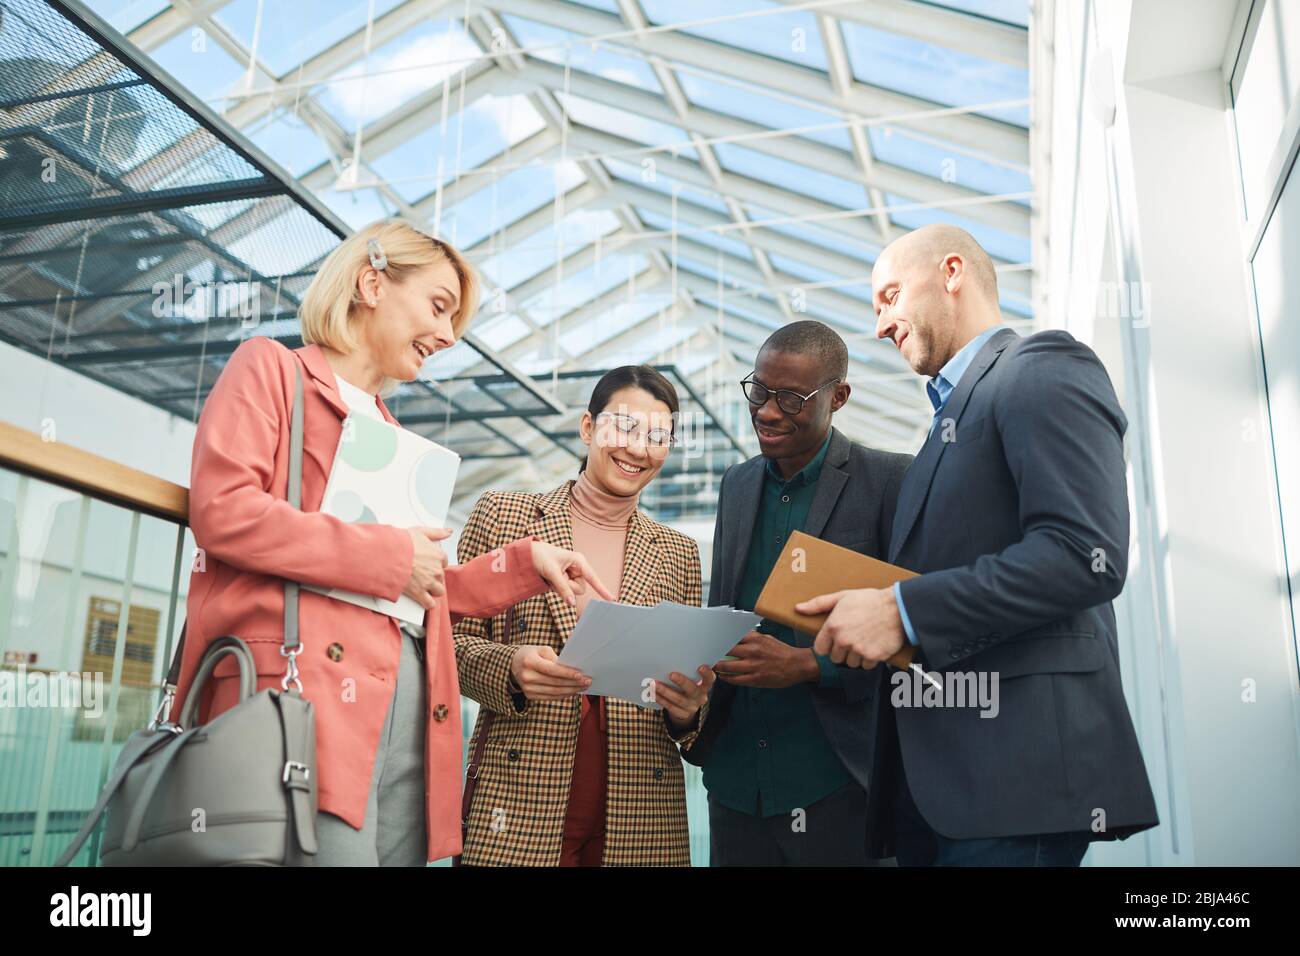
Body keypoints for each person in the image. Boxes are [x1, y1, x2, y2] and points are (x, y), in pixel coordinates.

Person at [172, 219, 612, 867]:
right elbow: (225, 513)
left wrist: (524, 565)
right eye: (438, 307)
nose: (448, 335)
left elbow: (416, 585)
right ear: (371, 283)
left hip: (409, 719)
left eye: (456, 320)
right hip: (302, 704)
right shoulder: (272, 371)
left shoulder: (388, 430)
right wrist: (391, 558)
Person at [801, 223, 1159, 866]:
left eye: (888, 297)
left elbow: (1084, 552)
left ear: (951, 272)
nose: (880, 326)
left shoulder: (1042, 367)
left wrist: (901, 610)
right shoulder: (946, 422)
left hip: (1014, 781)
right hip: (942, 787)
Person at [454, 365, 712, 866]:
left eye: (659, 436)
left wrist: (687, 708)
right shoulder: (504, 516)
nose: (639, 449)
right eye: (625, 427)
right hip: (520, 797)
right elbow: (448, 641)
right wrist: (510, 668)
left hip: (641, 807)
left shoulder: (679, 552)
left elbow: (689, 691)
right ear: (588, 427)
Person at [680, 320, 912, 866]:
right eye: (758, 391)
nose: (766, 410)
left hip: (839, 779)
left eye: (790, 397)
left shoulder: (890, 481)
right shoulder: (736, 485)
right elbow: (727, 606)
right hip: (737, 782)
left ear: (839, 397)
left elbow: (917, 632)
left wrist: (808, 665)